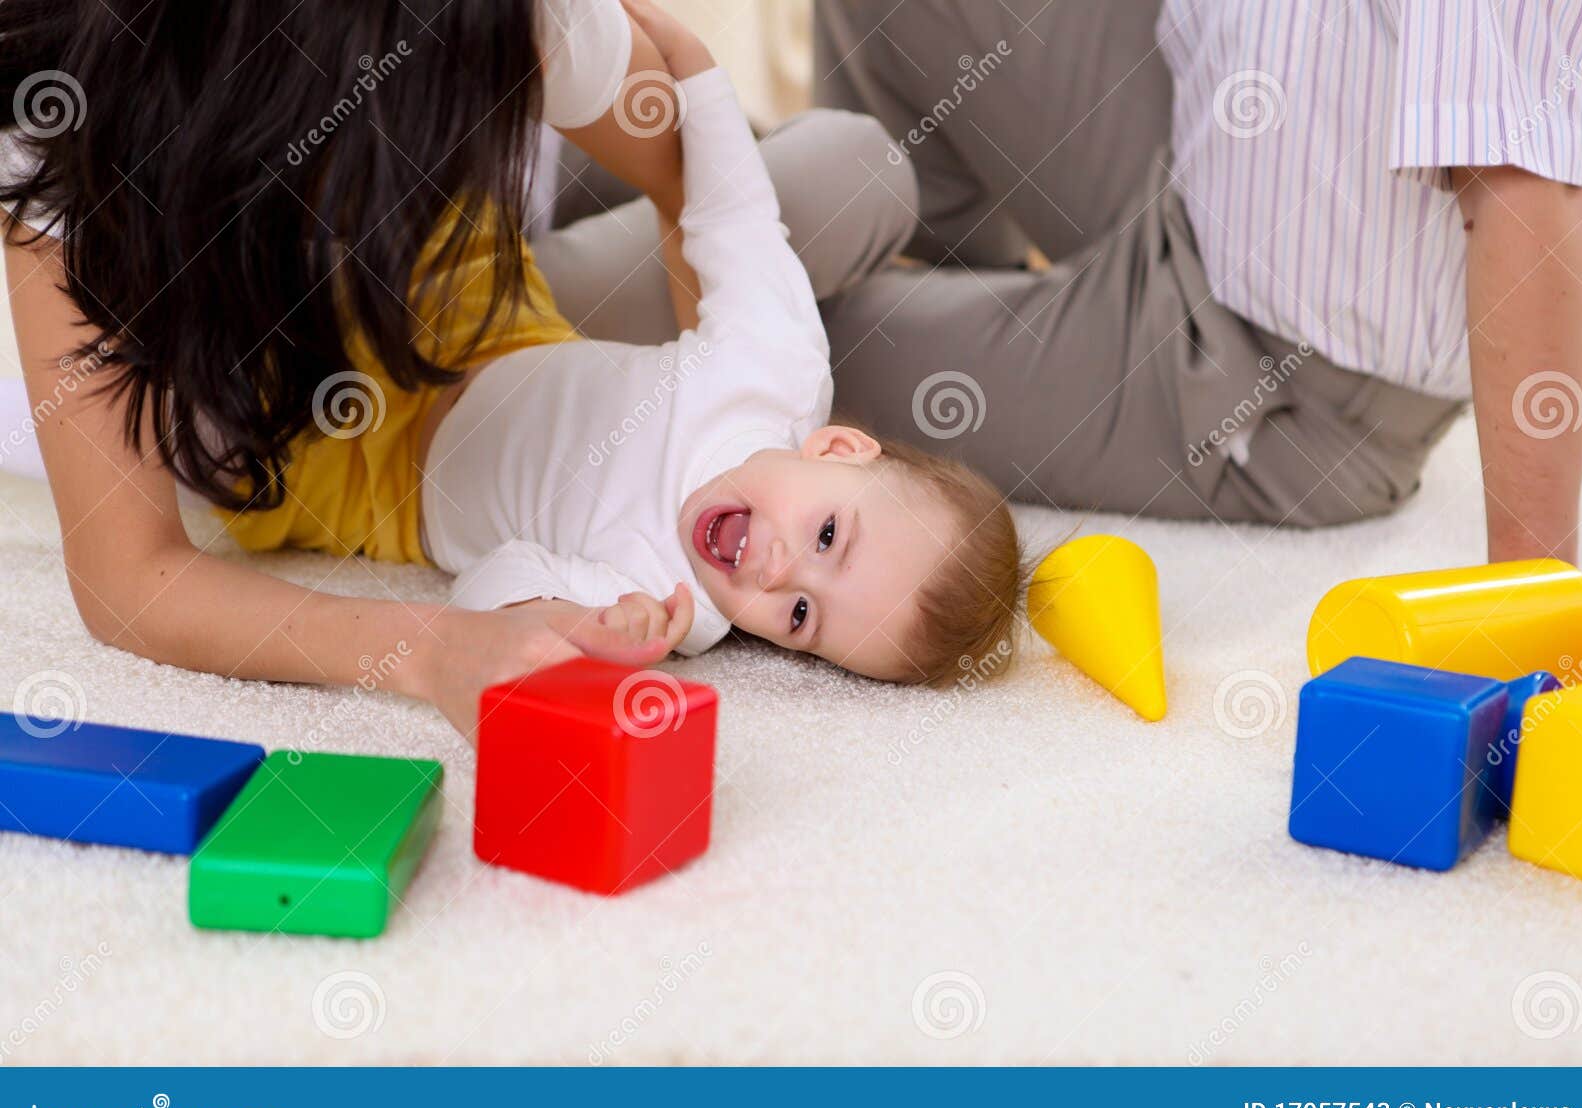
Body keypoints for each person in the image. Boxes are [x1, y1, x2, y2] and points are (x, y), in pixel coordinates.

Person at [0, 0, 913, 736]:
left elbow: (690, 175)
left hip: (496, 325)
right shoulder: (68, 120)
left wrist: (698, 434)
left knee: (854, 170)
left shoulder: (508, 20)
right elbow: (130, 579)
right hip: (311, 401)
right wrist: (432, 648)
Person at [813, 0, 1582, 564]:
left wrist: (1530, 605)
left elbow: (1528, 188)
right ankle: (964, 284)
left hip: (1260, 359)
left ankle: (957, 322)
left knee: (804, 341)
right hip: (1188, 128)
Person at [420, 20, 1022, 684]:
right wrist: (698, 80)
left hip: (390, 482)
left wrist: (570, 620)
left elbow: (481, 591)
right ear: (839, 448)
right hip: (491, 329)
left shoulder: (667, 604)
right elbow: (736, 221)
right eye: (826, 536)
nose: (779, 571)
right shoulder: (777, 368)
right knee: (414, 141)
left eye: (800, 616)